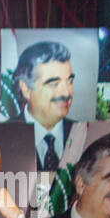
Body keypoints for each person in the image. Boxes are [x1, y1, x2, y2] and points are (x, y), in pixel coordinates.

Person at [14, 41, 76, 172]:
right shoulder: (4, 135)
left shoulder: (81, 133)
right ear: (26, 89)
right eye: (54, 83)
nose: (66, 92)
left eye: (69, 81)